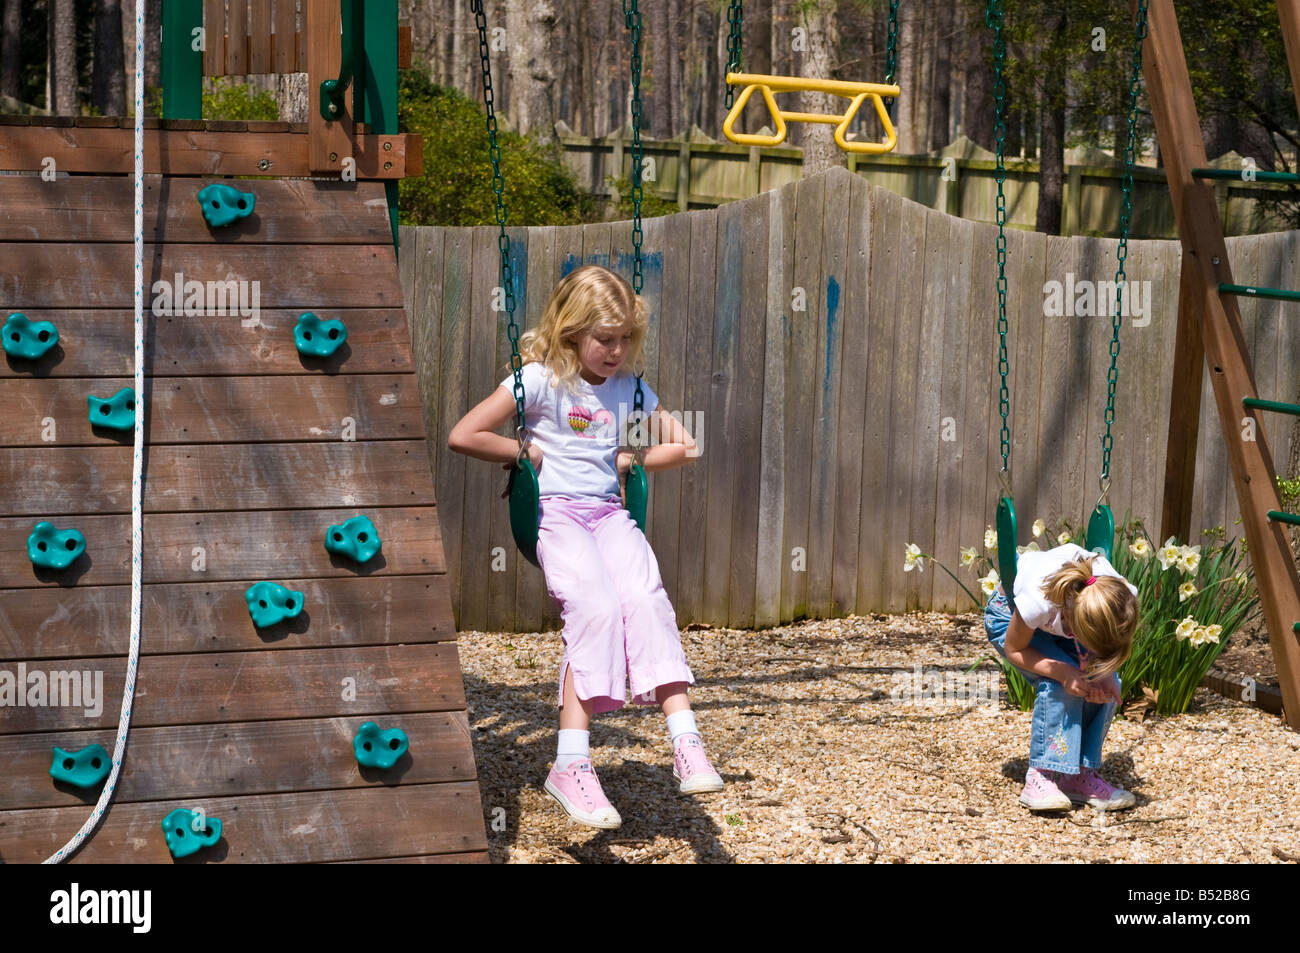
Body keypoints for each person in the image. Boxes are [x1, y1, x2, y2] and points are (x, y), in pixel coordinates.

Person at [447, 264, 722, 830]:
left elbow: (685, 446)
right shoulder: (540, 379)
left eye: (625, 338)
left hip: (607, 515)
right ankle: (571, 764)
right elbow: (463, 434)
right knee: (595, 607)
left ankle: (686, 741)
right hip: (556, 519)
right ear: (573, 332)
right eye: (605, 339)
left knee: (645, 600)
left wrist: (632, 458)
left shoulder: (630, 388)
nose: (617, 350)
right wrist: (519, 453)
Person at [984, 542, 1140, 811]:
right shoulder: (1038, 601)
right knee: (1061, 685)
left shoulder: (1119, 599)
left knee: (1106, 683)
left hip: (1068, 619)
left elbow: (1105, 648)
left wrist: (1102, 672)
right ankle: (1041, 775)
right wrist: (1064, 672)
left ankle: (1077, 774)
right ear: (1071, 622)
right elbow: (1014, 648)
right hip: (1011, 620)